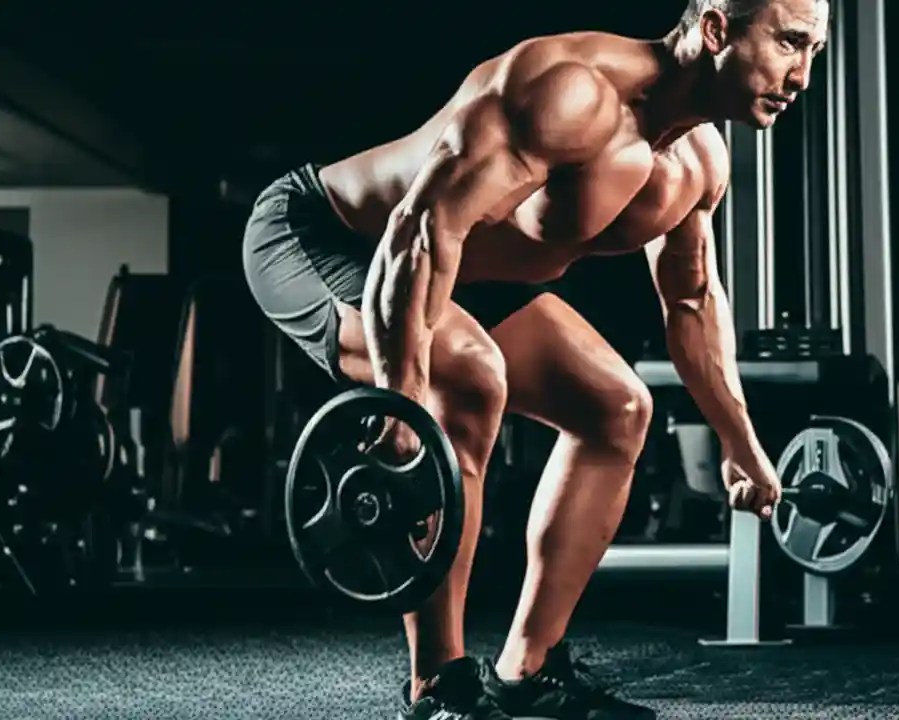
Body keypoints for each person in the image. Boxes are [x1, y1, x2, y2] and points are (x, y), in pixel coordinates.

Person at [241, 0, 829, 716]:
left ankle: (527, 671)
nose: (802, 74)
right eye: (790, 42)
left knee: (617, 409)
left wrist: (742, 445)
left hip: (464, 278)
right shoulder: (568, 92)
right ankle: (441, 687)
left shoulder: (700, 162)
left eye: (814, 52)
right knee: (470, 376)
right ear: (714, 30)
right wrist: (402, 419)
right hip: (328, 238)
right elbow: (419, 234)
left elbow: (693, 303)